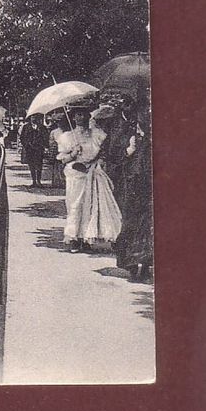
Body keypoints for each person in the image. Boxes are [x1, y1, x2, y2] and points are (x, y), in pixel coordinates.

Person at [56, 108, 123, 253]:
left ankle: (87, 237)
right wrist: (73, 153)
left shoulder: (97, 135)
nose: (81, 117)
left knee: (90, 205)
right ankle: (74, 238)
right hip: (75, 174)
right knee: (75, 205)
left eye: (84, 114)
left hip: (92, 172)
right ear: (73, 118)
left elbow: (104, 153)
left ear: (88, 116)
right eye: (77, 115)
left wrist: (98, 162)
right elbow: (62, 159)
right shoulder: (68, 137)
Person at [113, 103, 154, 281]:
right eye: (140, 119)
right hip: (132, 188)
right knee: (131, 225)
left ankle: (145, 267)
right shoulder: (130, 137)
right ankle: (131, 265)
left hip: (150, 186)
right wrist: (128, 151)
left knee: (148, 227)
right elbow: (115, 156)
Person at [20, 114, 48, 187]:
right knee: (31, 165)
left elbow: (46, 137)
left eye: (35, 117)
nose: (33, 119)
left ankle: (39, 181)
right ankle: (34, 181)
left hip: (39, 149)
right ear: (30, 118)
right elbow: (22, 137)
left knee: (39, 165)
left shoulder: (42, 127)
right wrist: (26, 145)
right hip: (30, 149)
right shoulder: (26, 127)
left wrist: (43, 145)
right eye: (32, 117)